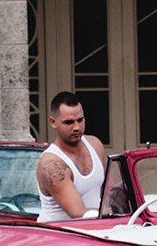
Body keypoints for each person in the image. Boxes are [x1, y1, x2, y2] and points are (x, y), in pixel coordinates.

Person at [36, 92, 106, 222]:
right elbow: (78, 212)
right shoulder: (51, 163)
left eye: (80, 120)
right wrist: (116, 211)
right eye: (69, 122)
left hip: (96, 228)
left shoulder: (95, 144)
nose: (76, 127)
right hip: (61, 232)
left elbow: (109, 192)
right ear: (53, 122)